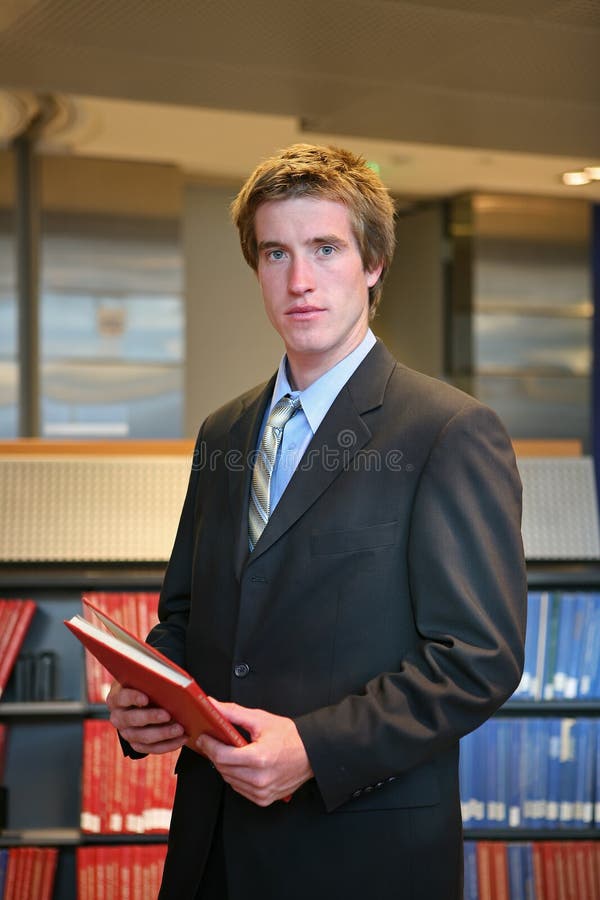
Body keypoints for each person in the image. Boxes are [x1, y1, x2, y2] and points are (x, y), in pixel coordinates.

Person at [107, 143, 527, 900]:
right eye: (276, 253)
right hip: (211, 850)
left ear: (373, 264)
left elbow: (478, 659)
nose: (299, 280)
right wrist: (147, 701)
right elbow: (187, 615)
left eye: (325, 248)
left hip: (358, 855)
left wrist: (313, 748)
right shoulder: (223, 433)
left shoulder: (447, 431)